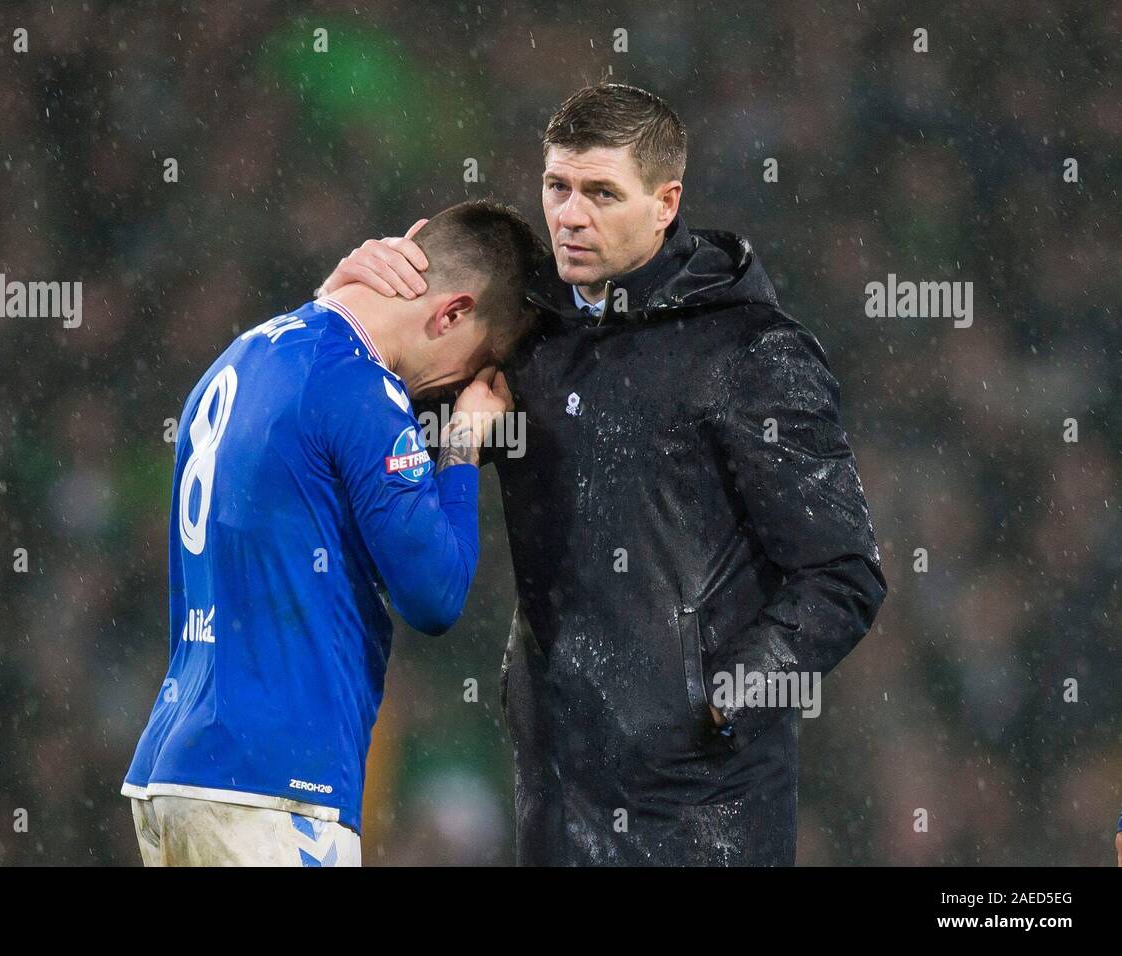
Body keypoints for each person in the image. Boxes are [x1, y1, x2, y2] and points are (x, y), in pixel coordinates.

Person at [318, 83, 887, 865]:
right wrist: (344, 299)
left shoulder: (749, 354)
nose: (570, 216)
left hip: (702, 813)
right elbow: (384, 427)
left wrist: (718, 705)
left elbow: (843, 574)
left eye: (601, 193)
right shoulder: (523, 332)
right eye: (557, 187)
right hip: (555, 787)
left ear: (666, 202)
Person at [123, 199, 547, 866]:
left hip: (177, 771)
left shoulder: (243, 356)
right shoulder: (359, 391)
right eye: (483, 360)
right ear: (453, 313)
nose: (470, 383)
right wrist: (463, 443)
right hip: (273, 789)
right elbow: (434, 593)